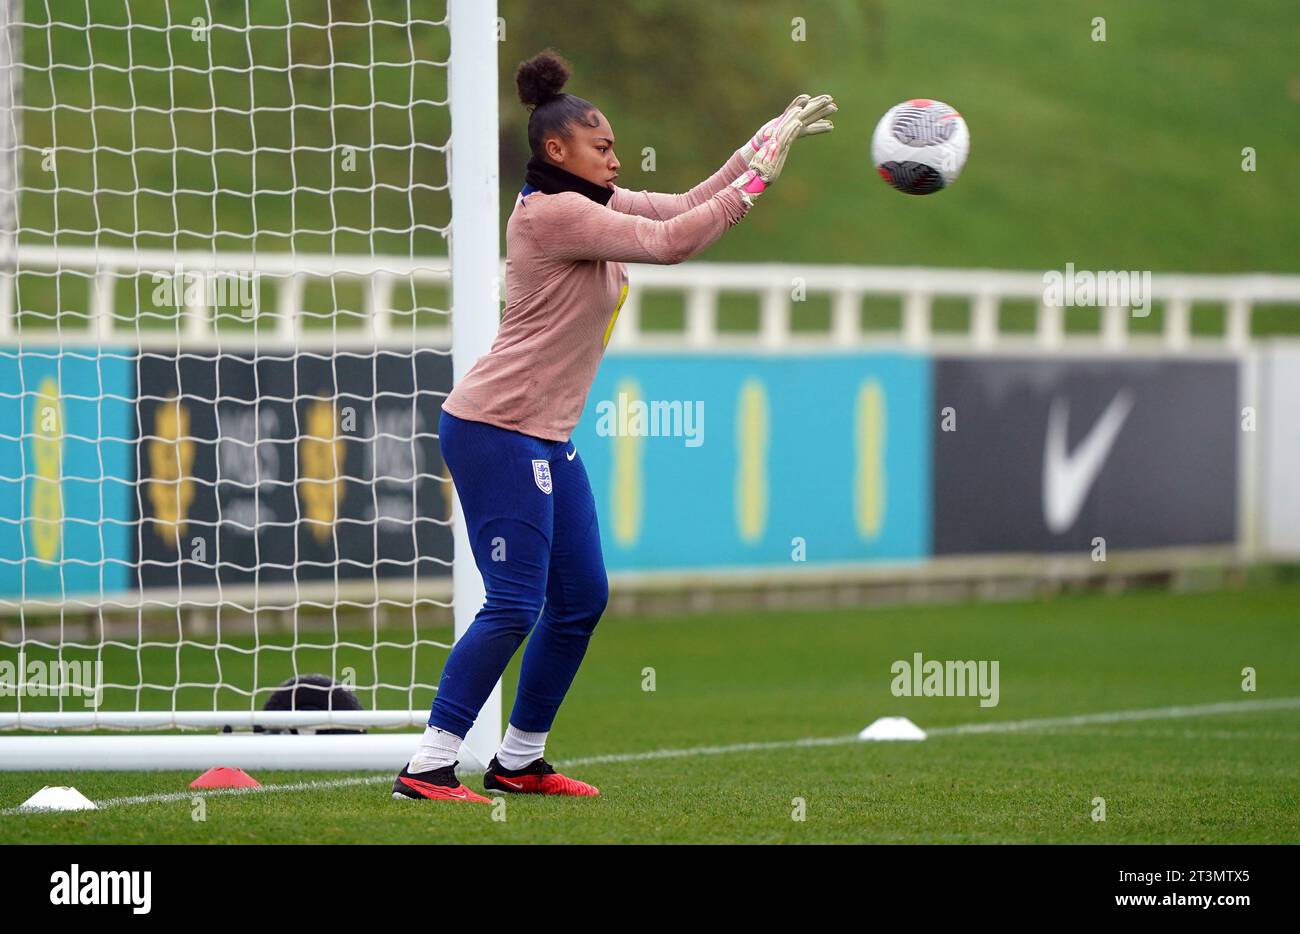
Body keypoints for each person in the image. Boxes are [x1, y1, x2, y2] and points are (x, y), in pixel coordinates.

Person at [392, 50, 836, 803]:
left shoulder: (591, 205)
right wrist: (758, 183)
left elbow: (686, 203)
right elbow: (674, 243)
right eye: (603, 146)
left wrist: (754, 150)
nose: (617, 157)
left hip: (544, 436)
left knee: (582, 597)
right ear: (556, 150)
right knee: (513, 603)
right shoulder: (556, 213)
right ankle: (429, 764)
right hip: (496, 428)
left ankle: (518, 760)